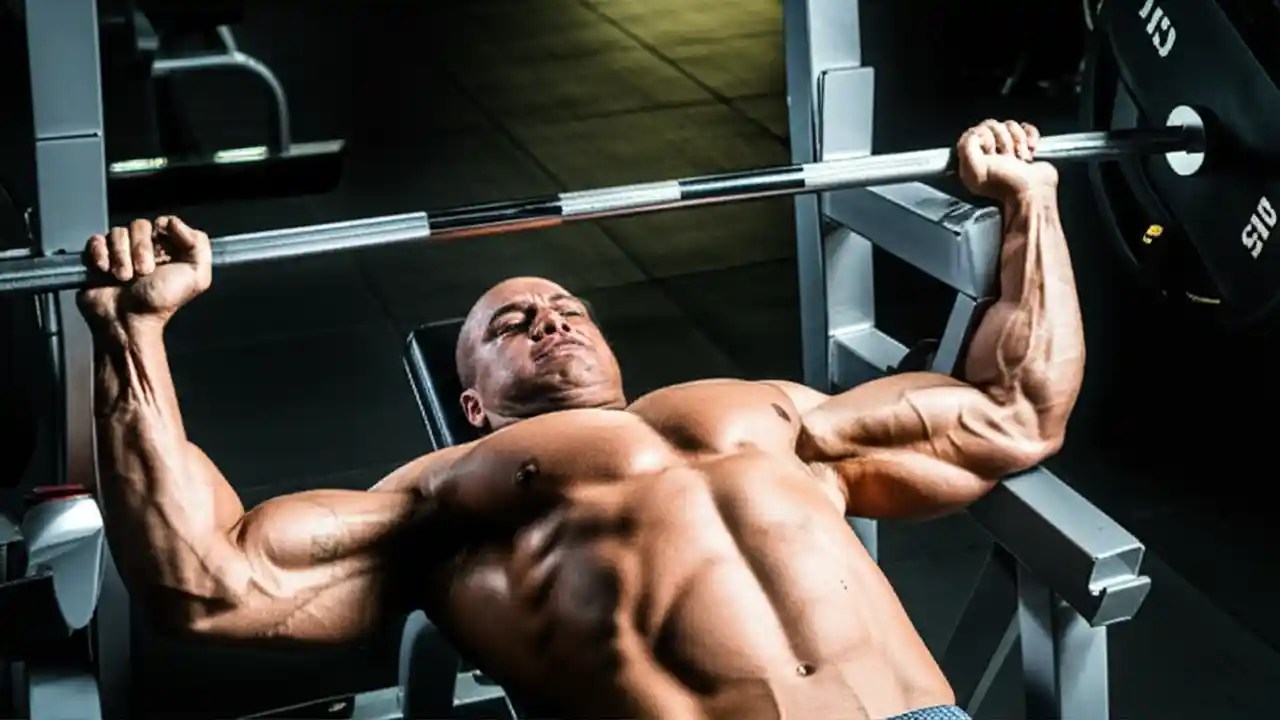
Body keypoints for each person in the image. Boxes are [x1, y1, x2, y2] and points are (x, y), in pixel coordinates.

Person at [77, 119, 1082, 720]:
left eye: (566, 310)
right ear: (469, 403)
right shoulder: (446, 495)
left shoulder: (770, 415)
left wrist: (1028, 199)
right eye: (509, 324)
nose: (549, 323)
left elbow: (1012, 409)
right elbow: (207, 581)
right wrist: (133, 336)